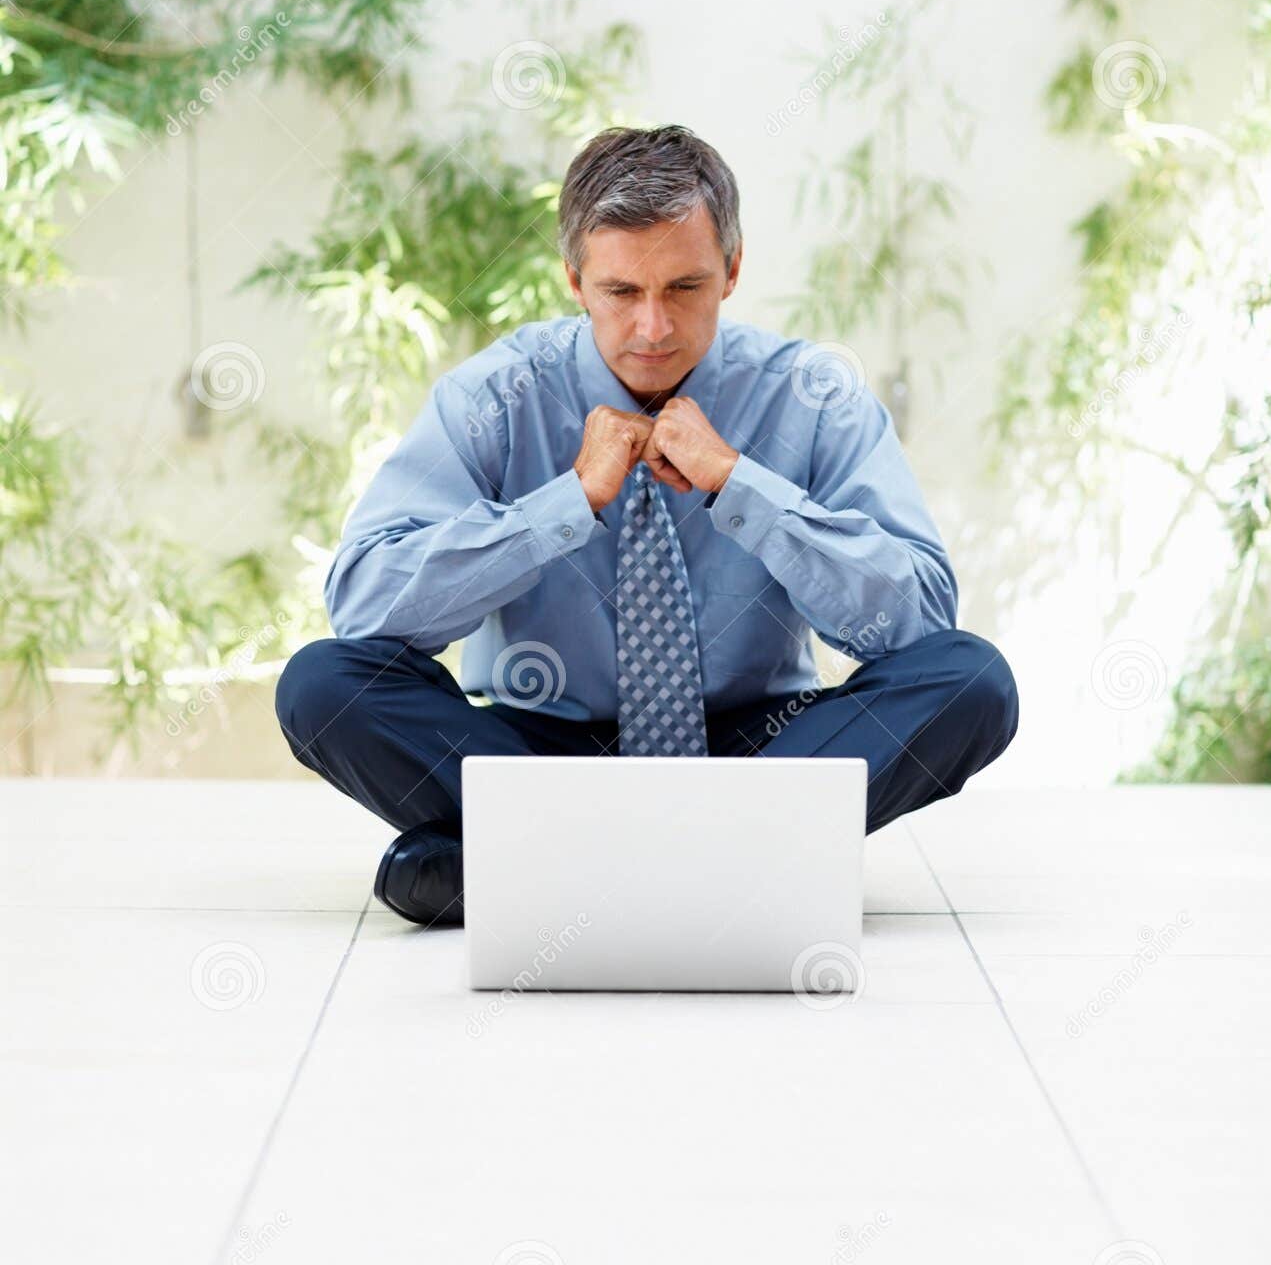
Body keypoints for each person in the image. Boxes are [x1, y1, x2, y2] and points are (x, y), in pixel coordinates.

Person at [275, 124, 1019, 926]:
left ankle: (531, 870)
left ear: (733, 270)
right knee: (323, 686)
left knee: (971, 681)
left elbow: (918, 622)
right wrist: (563, 507)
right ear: (574, 279)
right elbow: (363, 607)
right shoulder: (495, 397)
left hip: (758, 752)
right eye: (622, 293)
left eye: (686, 288)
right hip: (537, 753)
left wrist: (742, 484)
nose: (653, 328)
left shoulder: (811, 397)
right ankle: (722, 869)